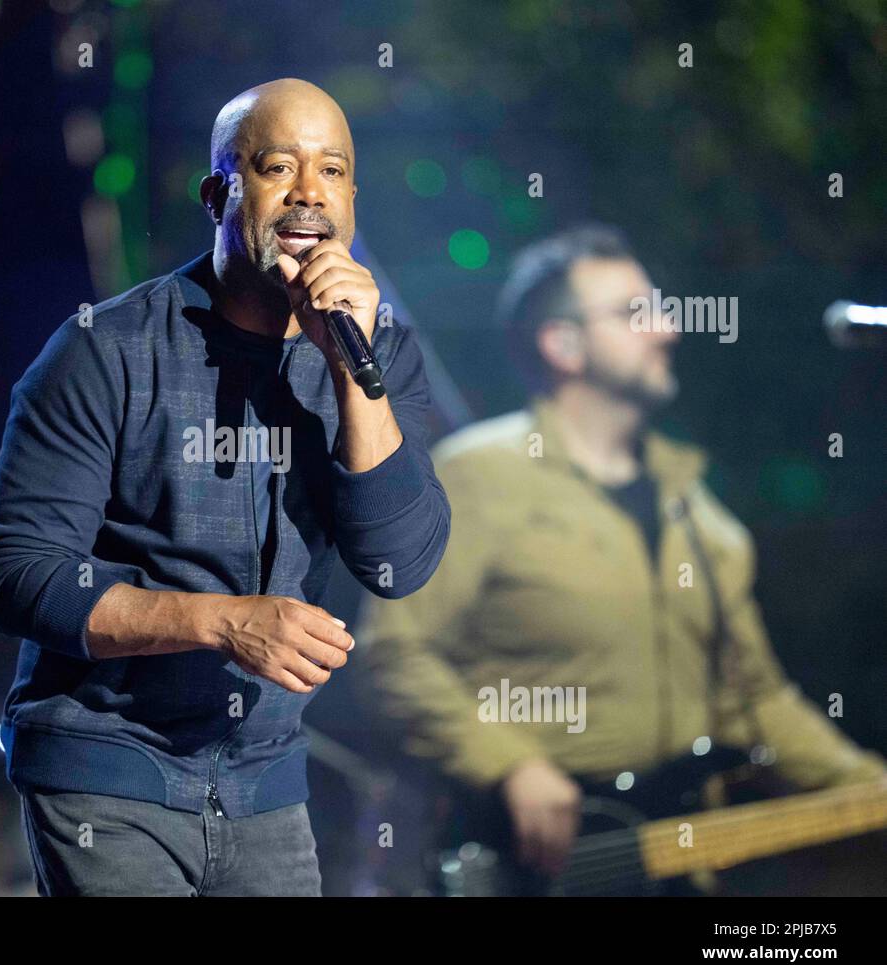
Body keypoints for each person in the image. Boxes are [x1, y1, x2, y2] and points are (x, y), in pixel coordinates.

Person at [0, 78, 451, 896]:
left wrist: (351, 374)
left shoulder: (378, 355)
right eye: (278, 167)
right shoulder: (107, 351)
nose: (309, 193)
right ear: (218, 193)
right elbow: (21, 575)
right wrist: (224, 622)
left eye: (333, 172)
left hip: (265, 782)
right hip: (108, 768)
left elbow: (398, 563)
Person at [357, 224, 887, 883]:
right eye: (636, 313)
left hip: (679, 868)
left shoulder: (700, 514)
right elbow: (393, 651)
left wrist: (868, 788)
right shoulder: (478, 475)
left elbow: (755, 697)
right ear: (564, 345)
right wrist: (507, 762)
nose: (667, 329)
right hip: (534, 867)